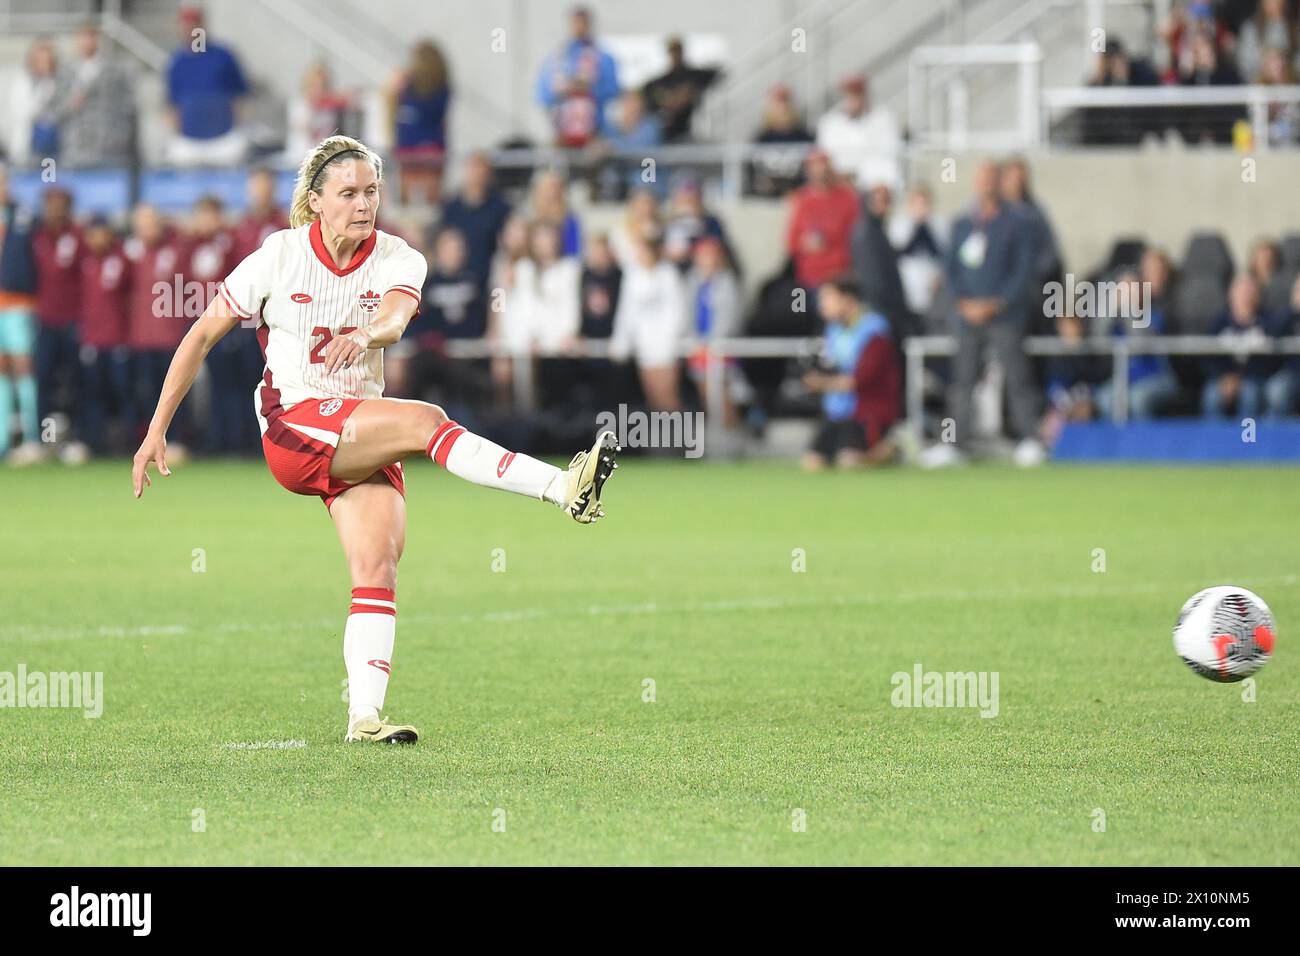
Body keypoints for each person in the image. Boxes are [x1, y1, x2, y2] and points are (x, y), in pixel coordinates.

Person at [130, 136, 620, 745]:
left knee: (377, 567)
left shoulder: (397, 256)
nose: (364, 205)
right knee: (423, 420)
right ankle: (562, 485)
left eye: (371, 192)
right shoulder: (276, 257)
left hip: (356, 429)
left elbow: (394, 316)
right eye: (348, 193)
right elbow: (202, 335)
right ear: (315, 202)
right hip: (294, 423)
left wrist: (368, 334)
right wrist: (156, 429)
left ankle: (363, 718)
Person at [927, 160, 1038, 466]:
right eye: (983, 176)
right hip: (967, 315)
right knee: (962, 381)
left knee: (1017, 377)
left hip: (1005, 315)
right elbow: (950, 269)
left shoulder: (1018, 222)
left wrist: (998, 302)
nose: (988, 182)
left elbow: (1023, 269)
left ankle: (1029, 439)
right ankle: (953, 443)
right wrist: (962, 303)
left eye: (993, 176)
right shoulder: (963, 223)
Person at [801, 276, 900, 470]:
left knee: (849, 462)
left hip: (867, 413)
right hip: (837, 412)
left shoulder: (875, 332)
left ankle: (888, 449)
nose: (822, 306)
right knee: (812, 463)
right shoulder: (833, 331)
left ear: (847, 299)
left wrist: (821, 383)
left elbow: (861, 380)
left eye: (827, 299)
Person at [32, 187, 84, 459]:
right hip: (46, 320)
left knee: (75, 382)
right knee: (43, 380)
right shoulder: (38, 237)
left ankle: (74, 439)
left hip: (72, 321)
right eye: (50, 205)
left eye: (59, 205)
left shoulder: (77, 237)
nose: (54, 210)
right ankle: (41, 441)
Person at [610, 231, 686, 412]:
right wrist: (621, 341)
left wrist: (672, 339)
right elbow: (626, 312)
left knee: (668, 394)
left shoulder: (669, 274)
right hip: (644, 344)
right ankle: (660, 436)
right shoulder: (632, 276)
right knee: (652, 395)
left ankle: (678, 437)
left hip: (667, 345)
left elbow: (679, 310)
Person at [165, 6, 250, 166]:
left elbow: (239, 96)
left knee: (237, 149)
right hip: (188, 142)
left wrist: (236, 127)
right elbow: (171, 104)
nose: (189, 29)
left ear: (203, 25)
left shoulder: (223, 56)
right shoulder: (177, 62)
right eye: (185, 25)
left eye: (193, 24)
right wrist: (176, 132)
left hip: (223, 139)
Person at [77, 216, 132, 455]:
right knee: (92, 394)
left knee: (122, 393)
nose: (97, 238)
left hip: (118, 339)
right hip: (91, 340)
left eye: (102, 233)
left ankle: (128, 442)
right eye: (93, 233)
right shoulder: (83, 261)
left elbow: (134, 297)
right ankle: (93, 442)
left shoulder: (122, 260)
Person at [0, 166, 41, 461]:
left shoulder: (24, 219)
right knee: (2, 370)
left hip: (18, 304)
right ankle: (3, 438)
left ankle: (30, 438)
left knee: (23, 367)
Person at [536, 6, 620, 145]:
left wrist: (588, 89)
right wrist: (563, 90)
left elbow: (613, 90)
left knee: (594, 161)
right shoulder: (557, 58)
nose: (579, 27)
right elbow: (542, 95)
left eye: (583, 23)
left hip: (594, 132)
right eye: (575, 23)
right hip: (561, 132)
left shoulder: (602, 57)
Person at [1201, 276, 1283, 419]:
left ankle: (1246, 440)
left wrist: (1240, 378)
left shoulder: (1269, 323)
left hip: (1255, 377)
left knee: (1250, 394)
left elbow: (1272, 359)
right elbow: (1208, 355)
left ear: (1258, 296)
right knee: (1211, 395)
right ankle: (1214, 439)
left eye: (1250, 292)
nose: (1246, 297)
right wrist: (1224, 376)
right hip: (1224, 378)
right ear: (1230, 296)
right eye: (1242, 292)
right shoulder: (1218, 323)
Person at [57, 25, 136, 168]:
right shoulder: (66, 71)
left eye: (91, 37)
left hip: (108, 146)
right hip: (77, 146)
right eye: (83, 37)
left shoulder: (115, 70)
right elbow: (58, 108)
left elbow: (127, 106)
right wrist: (71, 103)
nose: (87, 42)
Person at [785, 148, 859, 293]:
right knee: (798, 309)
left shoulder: (847, 199)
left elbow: (856, 238)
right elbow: (791, 241)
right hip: (806, 279)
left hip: (838, 278)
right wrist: (804, 243)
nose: (819, 174)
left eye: (823, 168)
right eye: (814, 169)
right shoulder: (802, 199)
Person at [387, 40, 451, 205]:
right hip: (407, 148)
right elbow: (391, 114)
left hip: (428, 148)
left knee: (431, 197)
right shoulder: (407, 86)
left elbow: (432, 114)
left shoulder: (439, 89)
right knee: (406, 197)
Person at [814, 75, 902, 192]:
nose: (854, 100)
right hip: (839, 178)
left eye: (858, 94)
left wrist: (858, 173)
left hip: (872, 180)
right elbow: (825, 154)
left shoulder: (883, 118)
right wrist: (843, 173)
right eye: (850, 95)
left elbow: (888, 152)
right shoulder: (829, 123)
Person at [439, 153, 511, 292]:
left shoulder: (500, 207)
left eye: (481, 170)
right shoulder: (451, 208)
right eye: (472, 169)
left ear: (488, 174)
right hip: (458, 279)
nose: (477, 175)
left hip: (489, 277)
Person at [642, 37, 719, 143]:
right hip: (667, 131)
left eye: (677, 52)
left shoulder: (694, 76)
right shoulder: (662, 81)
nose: (675, 56)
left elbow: (716, 74)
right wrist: (667, 100)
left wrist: (689, 92)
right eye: (672, 52)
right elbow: (650, 93)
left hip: (689, 128)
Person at [748, 84, 814, 198]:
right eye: (777, 102)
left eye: (785, 101)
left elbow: (811, 170)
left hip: (798, 197)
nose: (782, 107)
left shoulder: (804, 136)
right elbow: (751, 171)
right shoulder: (762, 137)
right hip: (768, 198)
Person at [7, 39, 63, 167]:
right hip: (27, 147)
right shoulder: (22, 82)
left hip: (54, 148)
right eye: (40, 60)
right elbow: (25, 112)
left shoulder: (58, 81)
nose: (44, 64)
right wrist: (45, 87)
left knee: (51, 180)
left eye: (47, 60)